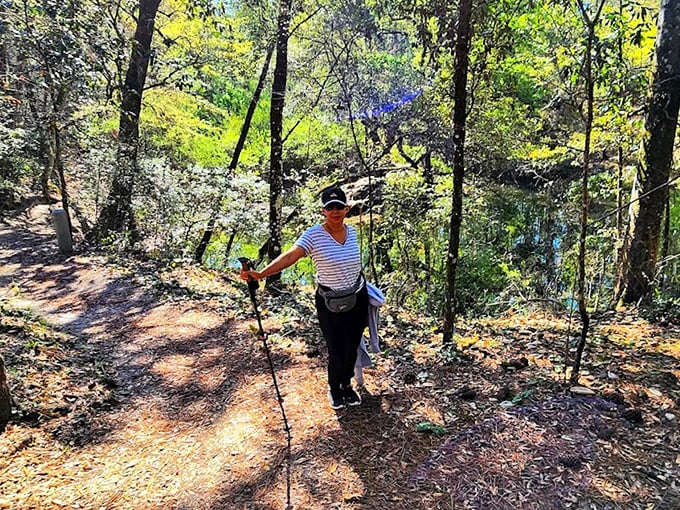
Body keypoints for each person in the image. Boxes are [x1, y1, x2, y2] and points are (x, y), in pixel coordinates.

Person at [240, 186, 368, 409]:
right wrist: (261, 274)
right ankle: (334, 387)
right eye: (331, 208)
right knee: (337, 349)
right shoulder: (313, 235)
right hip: (329, 301)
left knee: (351, 346)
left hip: (357, 298)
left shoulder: (353, 232)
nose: (335, 211)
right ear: (323, 211)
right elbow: (290, 257)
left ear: (346, 209)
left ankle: (346, 386)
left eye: (339, 207)